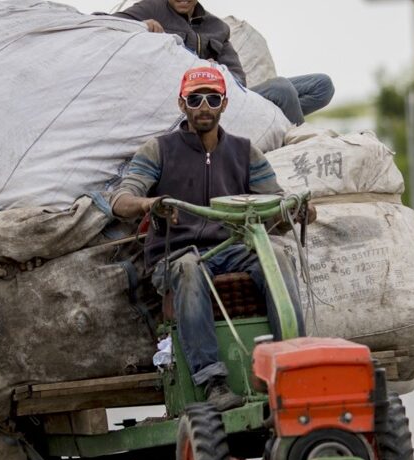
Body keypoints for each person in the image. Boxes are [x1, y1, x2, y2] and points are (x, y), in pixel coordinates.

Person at [110, 67, 313, 411]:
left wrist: (296, 211)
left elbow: (274, 200)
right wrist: (150, 204)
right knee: (190, 268)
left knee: (276, 257)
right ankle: (212, 382)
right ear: (182, 104)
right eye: (195, 99)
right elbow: (121, 200)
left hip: (233, 249)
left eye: (212, 98)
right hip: (175, 255)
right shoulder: (158, 150)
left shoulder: (245, 152)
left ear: (223, 105)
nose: (204, 106)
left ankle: (292, 365)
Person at [112, 0, 334, 125]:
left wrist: (216, 72)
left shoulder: (216, 27)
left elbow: (238, 79)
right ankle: (297, 140)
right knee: (282, 89)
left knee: (322, 85)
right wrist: (142, 25)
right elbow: (102, 22)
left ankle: (272, 124)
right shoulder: (150, 9)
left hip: (228, 98)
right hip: (186, 103)